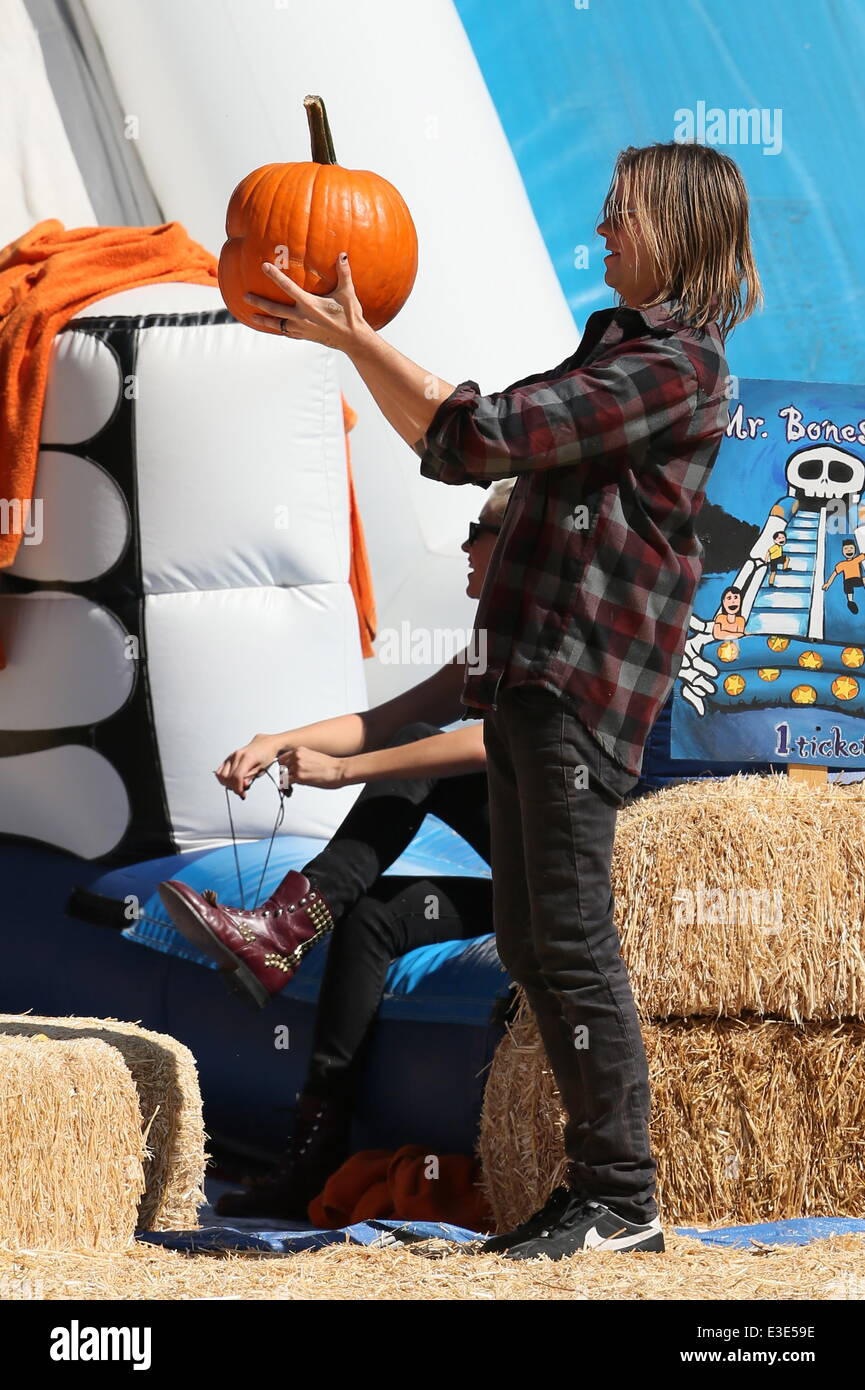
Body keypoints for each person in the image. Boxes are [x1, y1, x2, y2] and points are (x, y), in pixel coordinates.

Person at [225, 138, 762, 1259]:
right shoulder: (618, 348)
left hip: (578, 686)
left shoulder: (677, 367)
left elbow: (484, 436)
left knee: (568, 942)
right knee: (531, 941)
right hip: (533, 679)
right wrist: (352, 340)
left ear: (679, 226)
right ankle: (598, 1193)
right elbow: (458, 438)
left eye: (622, 213)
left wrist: (356, 337)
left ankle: (622, 1196)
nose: (603, 228)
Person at [158, 480, 514, 1218]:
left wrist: (347, 770)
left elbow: (491, 742)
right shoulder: (489, 643)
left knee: (425, 753)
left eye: (475, 530)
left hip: (567, 878)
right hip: (514, 875)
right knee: (372, 916)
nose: (462, 547)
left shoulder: (559, 640)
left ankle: (285, 928)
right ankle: (314, 1155)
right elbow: (385, 716)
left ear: (515, 547)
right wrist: (276, 741)